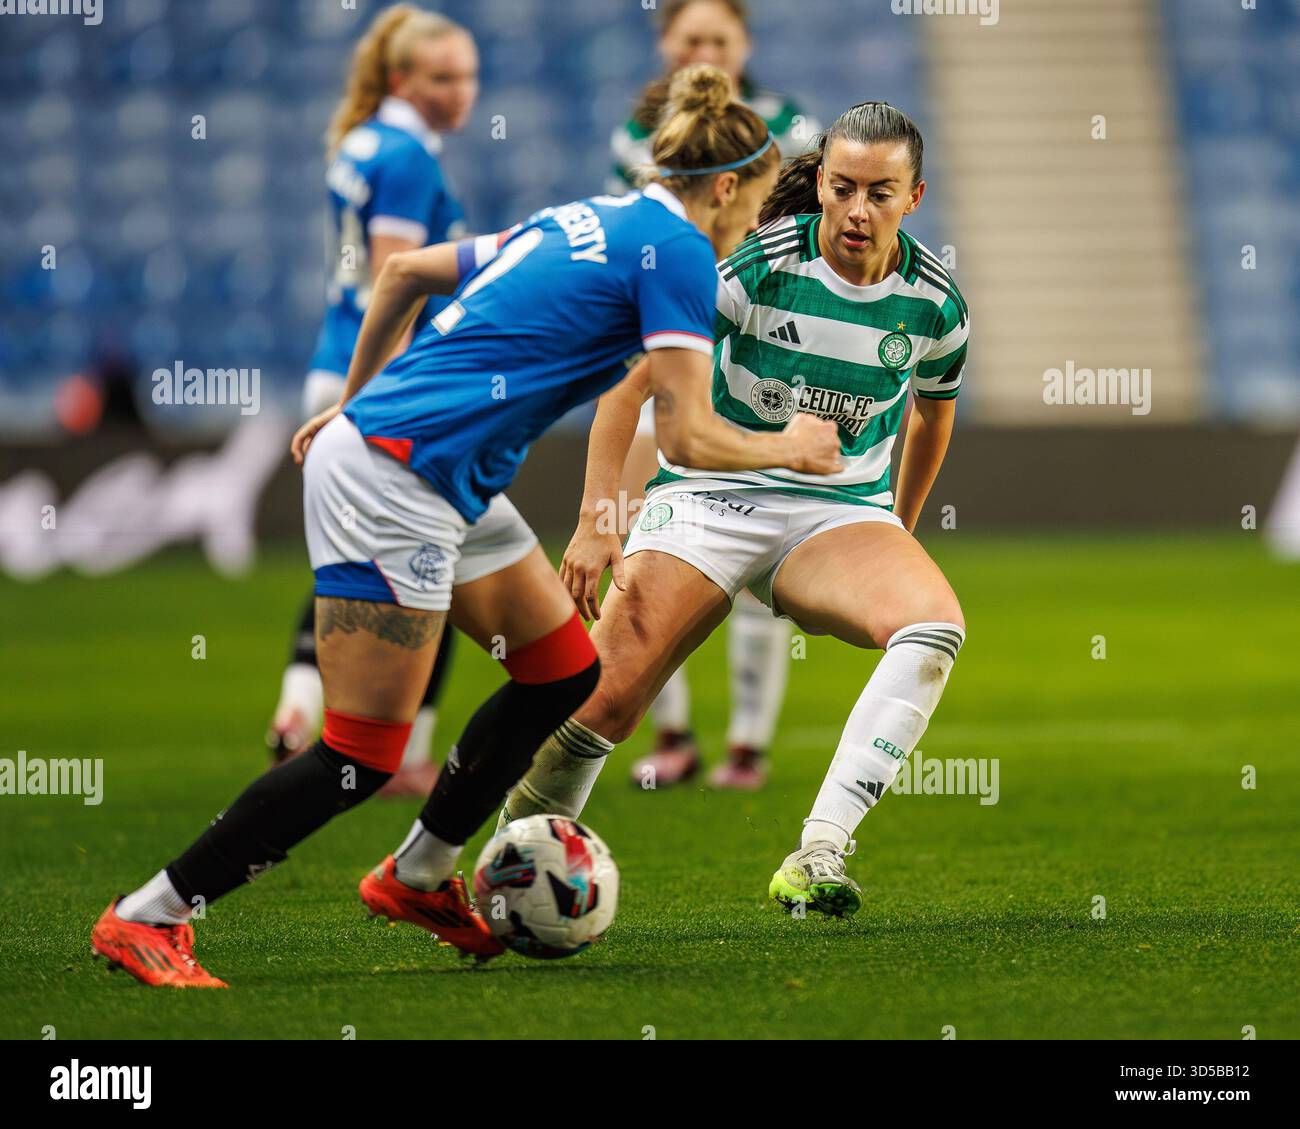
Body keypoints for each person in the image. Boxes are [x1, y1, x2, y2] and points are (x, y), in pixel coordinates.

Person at [90, 66, 841, 987]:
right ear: (725, 186)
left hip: (433, 467)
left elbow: (404, 273)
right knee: (359, 755)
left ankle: (418, 874)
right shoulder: (679, 250)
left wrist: (357, 399)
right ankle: (149, 912)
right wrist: (794, 449)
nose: (751, 218)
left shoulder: (589, 217)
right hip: (395, 477)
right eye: (756, 198)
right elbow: (684, 430)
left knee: (564, 667)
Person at [503, 101, 970, 920]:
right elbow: (632, 378)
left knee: (934, 625)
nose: (859, 211)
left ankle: (820, 847)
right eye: (844, 187)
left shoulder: (936, 304)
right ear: (820, 182)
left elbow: (935, 411)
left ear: (915, 196)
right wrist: (597, 516)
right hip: (709, 495)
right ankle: (507, 862)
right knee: (605, 697)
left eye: (881, 194)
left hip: (838, 512)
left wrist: (900, 519)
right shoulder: (756, 263)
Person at [608, 0, 822, 788]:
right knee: (651, 544)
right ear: (666, 42)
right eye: (691, 37)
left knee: (761, 537)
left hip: (762, 351)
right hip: (669, 343)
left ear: (746, 44)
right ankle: (671, 736)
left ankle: (746, 745)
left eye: (719, 38)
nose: (705, 49)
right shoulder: (636, 138)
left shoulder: (793, 127)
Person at [268, 4, 478, 798]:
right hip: (381, 380)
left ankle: (299, 708)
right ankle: (408, 752)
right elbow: (395, 280)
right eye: (442, 77)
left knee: (347, 562)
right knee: (444, 561)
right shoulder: (408, 160)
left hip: (333, 367)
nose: (460, 93)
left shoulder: (359, 142)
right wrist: (381, 399)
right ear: (402, 79)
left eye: (467, 76)